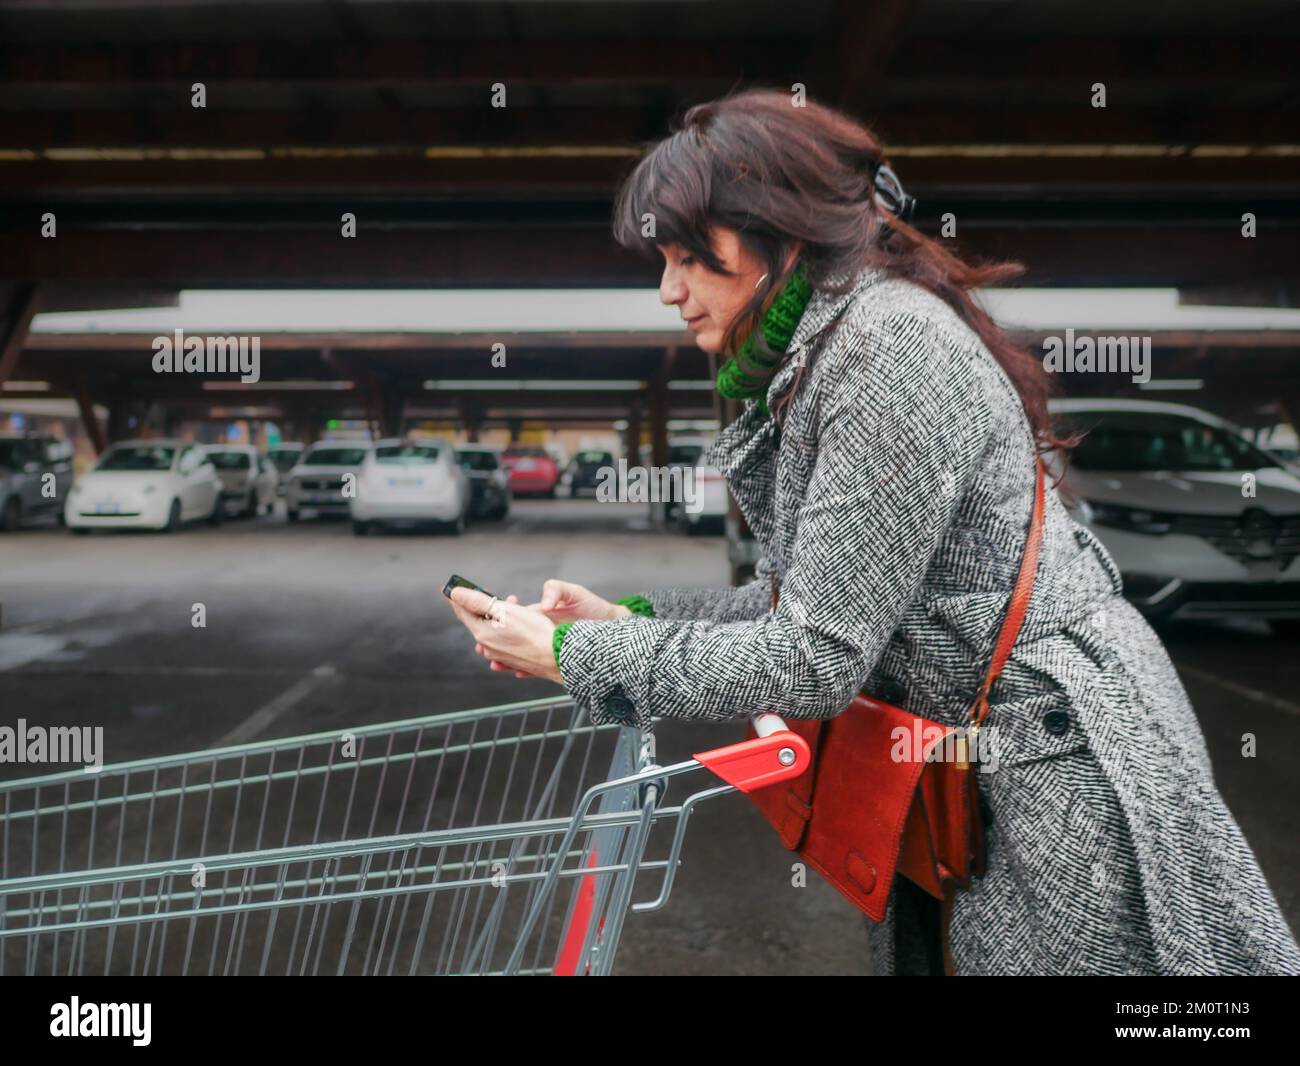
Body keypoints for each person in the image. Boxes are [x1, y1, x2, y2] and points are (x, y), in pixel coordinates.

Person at [447, 87, 1300, 975]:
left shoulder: (885, 351)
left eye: (686, 256)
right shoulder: (827, 346)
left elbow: (814, 657)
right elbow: (810, 598)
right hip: (979, 765)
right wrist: (625, 618)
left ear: (774, 225)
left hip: (1059, 777)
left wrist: (575, 658)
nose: (668, 289)